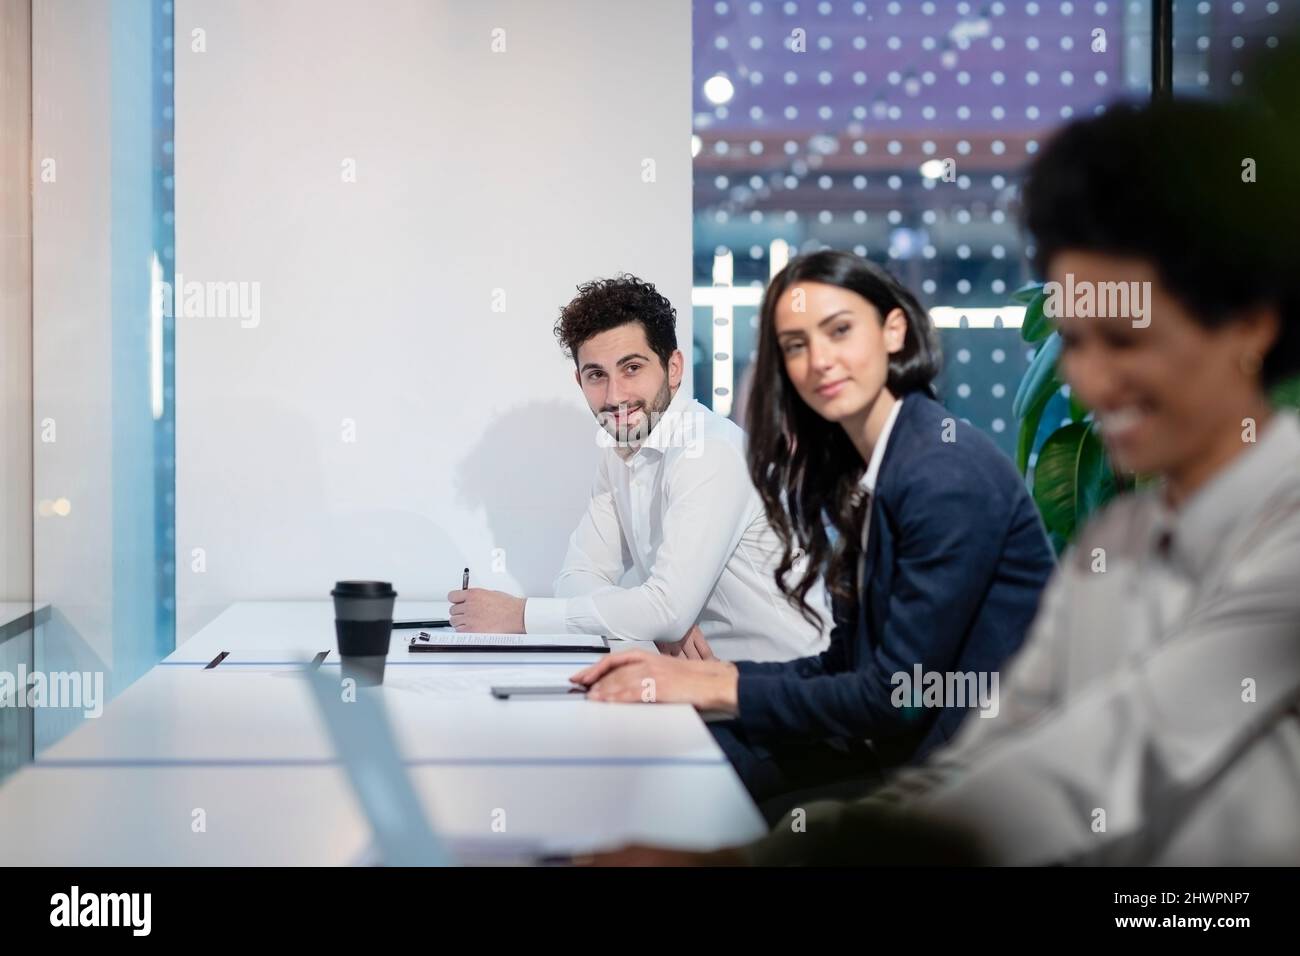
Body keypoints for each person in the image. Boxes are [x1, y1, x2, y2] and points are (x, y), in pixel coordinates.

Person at [581, 96, 1300, 865]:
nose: (1089, 380)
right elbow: (999, 752)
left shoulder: (1281, 526)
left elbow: (1099, 757)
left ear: (1249, 325)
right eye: (1073, 342)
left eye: (1124, 339)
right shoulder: (1117, 537)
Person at [572, 252, 1057, 807]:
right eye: (796, 345)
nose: (818, 360)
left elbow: (896, 696)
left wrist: (712, 684)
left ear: (894, 332)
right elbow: (844, 663)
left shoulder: (942, 471)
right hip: (894, 744)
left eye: (840, 331)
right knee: (660, 753)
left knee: (688, 798)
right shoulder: (871, 463)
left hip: (967, 776)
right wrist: (695, 684)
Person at [447, 274, 827, 662]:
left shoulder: (708, 451)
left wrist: (521, 615)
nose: (615, 396)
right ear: (579, 380)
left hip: (790, 691)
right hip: (707, 685)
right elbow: (577, 579)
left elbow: (666, 611)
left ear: (673, 368)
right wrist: (650, 619)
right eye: (597, 375)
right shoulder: (619, 454)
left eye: (632, 368)